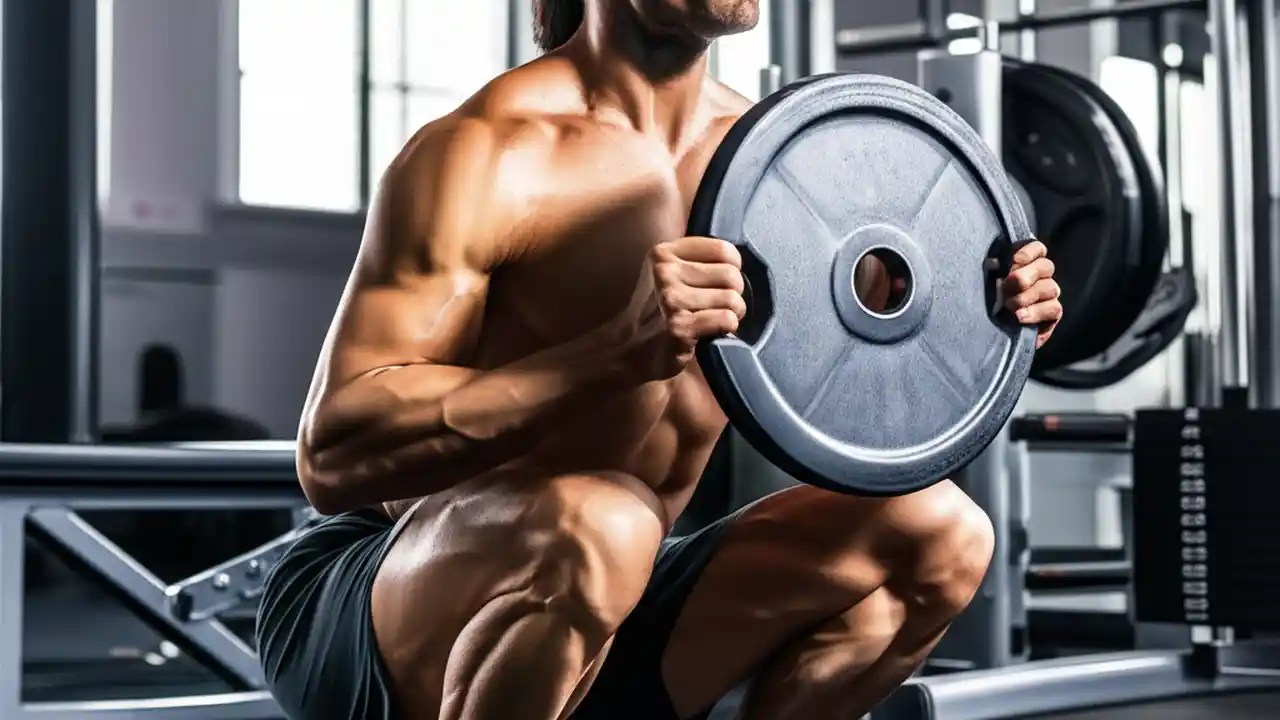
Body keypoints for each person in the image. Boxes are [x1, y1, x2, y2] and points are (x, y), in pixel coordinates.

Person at [255, 1, 1064, 719]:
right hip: (388, 602)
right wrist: (612, 354)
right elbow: (333, 455)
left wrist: (978, 315)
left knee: (940, 533)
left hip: (616, 591)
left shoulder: (781, 170)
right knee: (602, 522)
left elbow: (861, 391)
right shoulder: (488, 153)